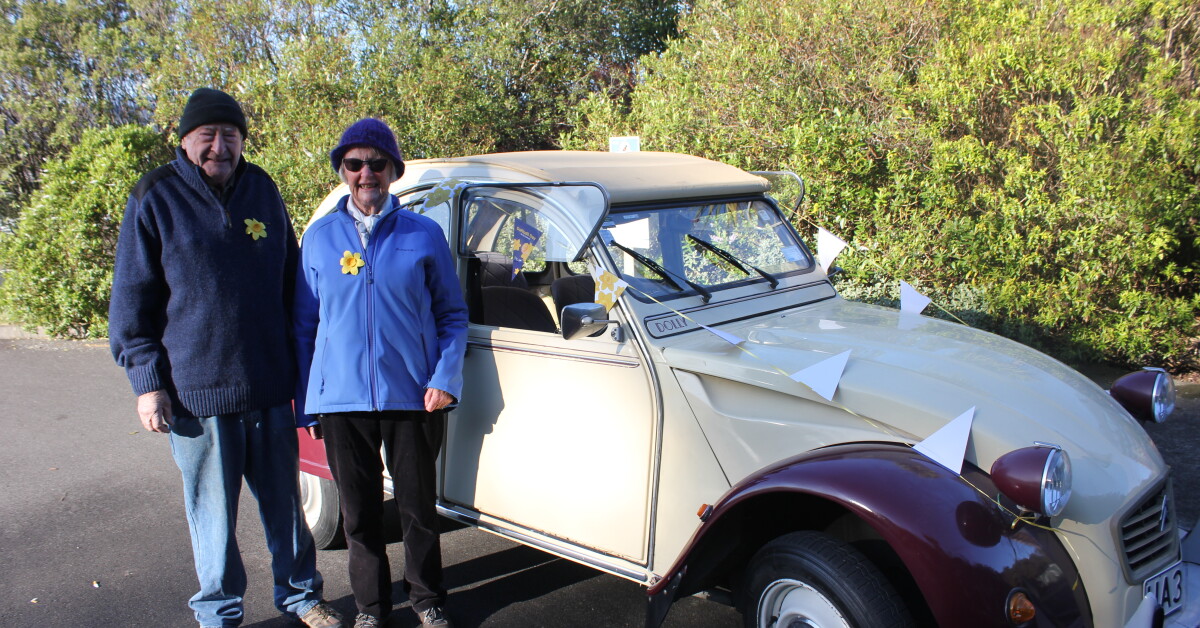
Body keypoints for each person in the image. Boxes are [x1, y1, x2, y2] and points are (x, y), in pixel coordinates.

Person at [109, 88, 342, 628]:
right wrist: (148, 383)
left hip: (268, 386)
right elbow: (130, 304)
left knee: (285, 507)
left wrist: (310, 370)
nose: (220, 146)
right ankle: (219, 612)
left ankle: (302, 596)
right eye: (208, 136)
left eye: (230, 136)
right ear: (186, 140)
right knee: (213, 516)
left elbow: (295, 286)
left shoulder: (262, 190)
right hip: (196, 396)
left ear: (241, 141)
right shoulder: (155, 197)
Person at [293, 118, 468, 628]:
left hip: (414, 395)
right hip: (341, 399)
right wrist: (309, 400)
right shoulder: (320, 239)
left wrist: (445, 378)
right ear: (343, 172)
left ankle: (427, 598)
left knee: (417, 509)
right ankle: (371, 607)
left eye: (377, 163)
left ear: (393, 171)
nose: (366, 172)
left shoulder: (423, 233)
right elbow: (304, 327)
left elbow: (452, 316)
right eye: (354, 164)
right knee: (359, 515)